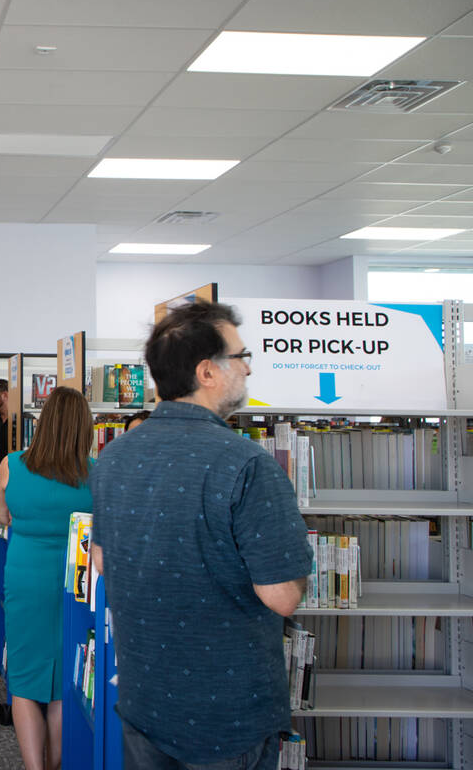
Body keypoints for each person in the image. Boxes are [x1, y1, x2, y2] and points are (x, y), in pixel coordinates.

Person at [90, 301, 311, 770]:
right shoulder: (247, 465)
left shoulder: (113, 457)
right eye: (241, 356)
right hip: (226, 718)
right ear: (207, 372)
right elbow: (282, 597)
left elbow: (103, 560)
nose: (248, 367)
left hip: (144, 699)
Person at [0, 386, 94, 770]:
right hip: (76, 582)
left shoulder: (12, 464)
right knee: (64, 683)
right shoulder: (96, 472)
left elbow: (2, 516)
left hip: (25, 576)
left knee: (23, 679)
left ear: (43, 422)